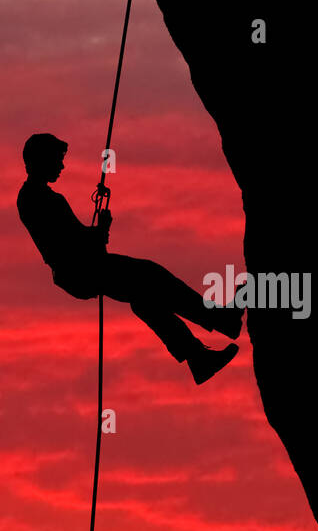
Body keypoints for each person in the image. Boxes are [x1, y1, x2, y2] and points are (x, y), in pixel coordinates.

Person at [16, 133, 242, 384]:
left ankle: (198, 355)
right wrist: (101, 229)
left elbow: (75, 239)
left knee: (145, 299)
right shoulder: (40, 199)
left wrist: (98, 232)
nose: (61, 166)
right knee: (151, 275)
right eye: (57, 160)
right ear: (42, 160)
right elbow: (74, 240)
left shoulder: (35, 197)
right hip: (81, 271)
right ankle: (218, 324)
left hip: (79, 271)